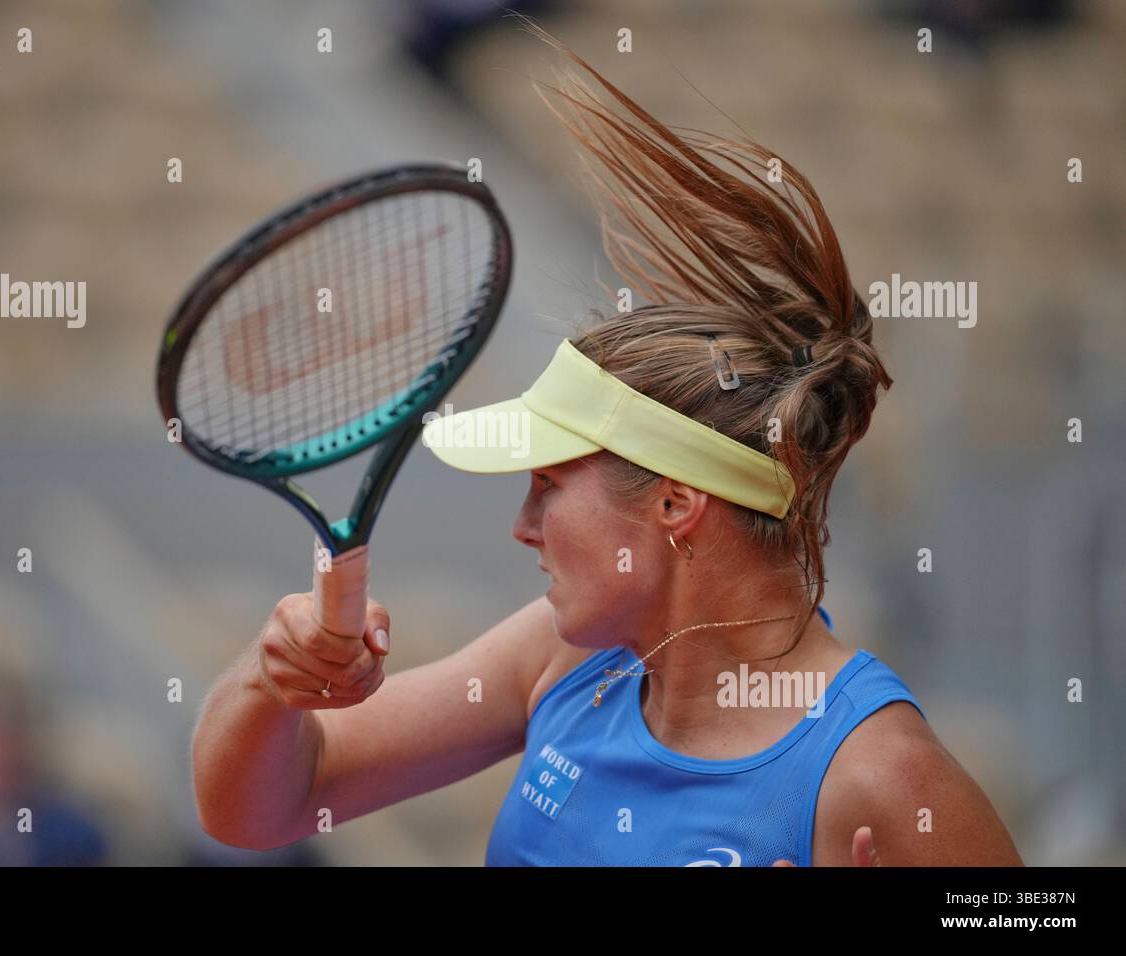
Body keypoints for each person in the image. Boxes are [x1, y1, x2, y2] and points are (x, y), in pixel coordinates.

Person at [191, 24, 1022, 866]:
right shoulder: (564, 656)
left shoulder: (884, 776)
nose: (522, 525)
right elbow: (262, 807)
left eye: (548, 484)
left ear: (675, 501)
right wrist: (270, 684)